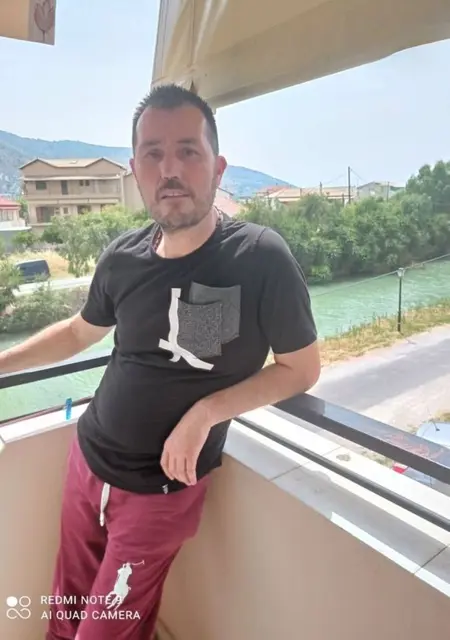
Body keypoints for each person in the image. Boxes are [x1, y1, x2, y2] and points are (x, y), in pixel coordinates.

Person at [0, 84, 321, 639]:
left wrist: (206, 413)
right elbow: (78, 332)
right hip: (88, 460)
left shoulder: (258, 258)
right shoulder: (122, 257)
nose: (169, 169)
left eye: (187, 151)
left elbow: (302, 369)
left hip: (159, 494)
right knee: (64, 614)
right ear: (136, 170)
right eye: (153, 153)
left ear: (218, 167)